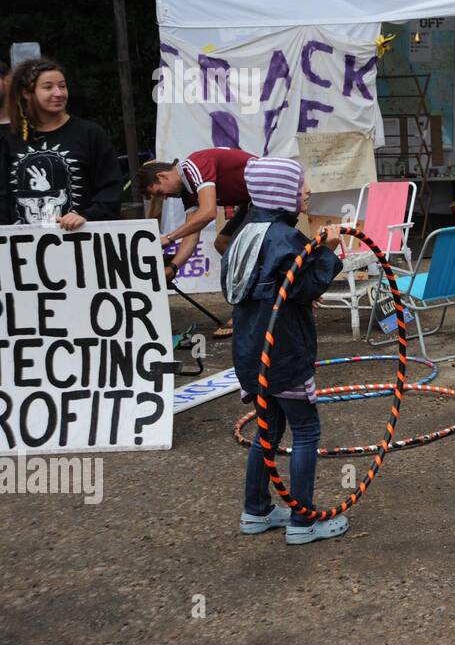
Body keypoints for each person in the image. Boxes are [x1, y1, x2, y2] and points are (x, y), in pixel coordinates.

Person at [227, 157, 347, 545]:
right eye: (299, 187)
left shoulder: (245, 233)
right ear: (281, 195)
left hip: (251, 351)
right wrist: (326, 248)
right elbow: (306, 282)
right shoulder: (285, 237)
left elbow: (274, 285)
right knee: (306, 429)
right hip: (284, 353)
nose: (307, 192)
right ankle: (303, 522)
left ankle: (256, 511)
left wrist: (294, 292)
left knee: (268, 430)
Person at [6, 58, 122, 228]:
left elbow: (111, 188)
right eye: (48, 87)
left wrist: (86, 217)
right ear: (26, 93)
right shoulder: (9, 138)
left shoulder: (90, 134)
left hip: (82, 243)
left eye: (62, 86)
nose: (59, 93)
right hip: (21, 249)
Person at [139, 148, 256, 282]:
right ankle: (254, 284)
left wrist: (170, 237)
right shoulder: (187, 191)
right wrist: (173, 267)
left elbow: (208, 212)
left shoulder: (196, 165)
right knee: (222, 243)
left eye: (160, 192)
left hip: (267, 193)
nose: (165, 198)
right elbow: (191, 236)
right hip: (253, 200)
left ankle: (263, 284)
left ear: (163, 176)